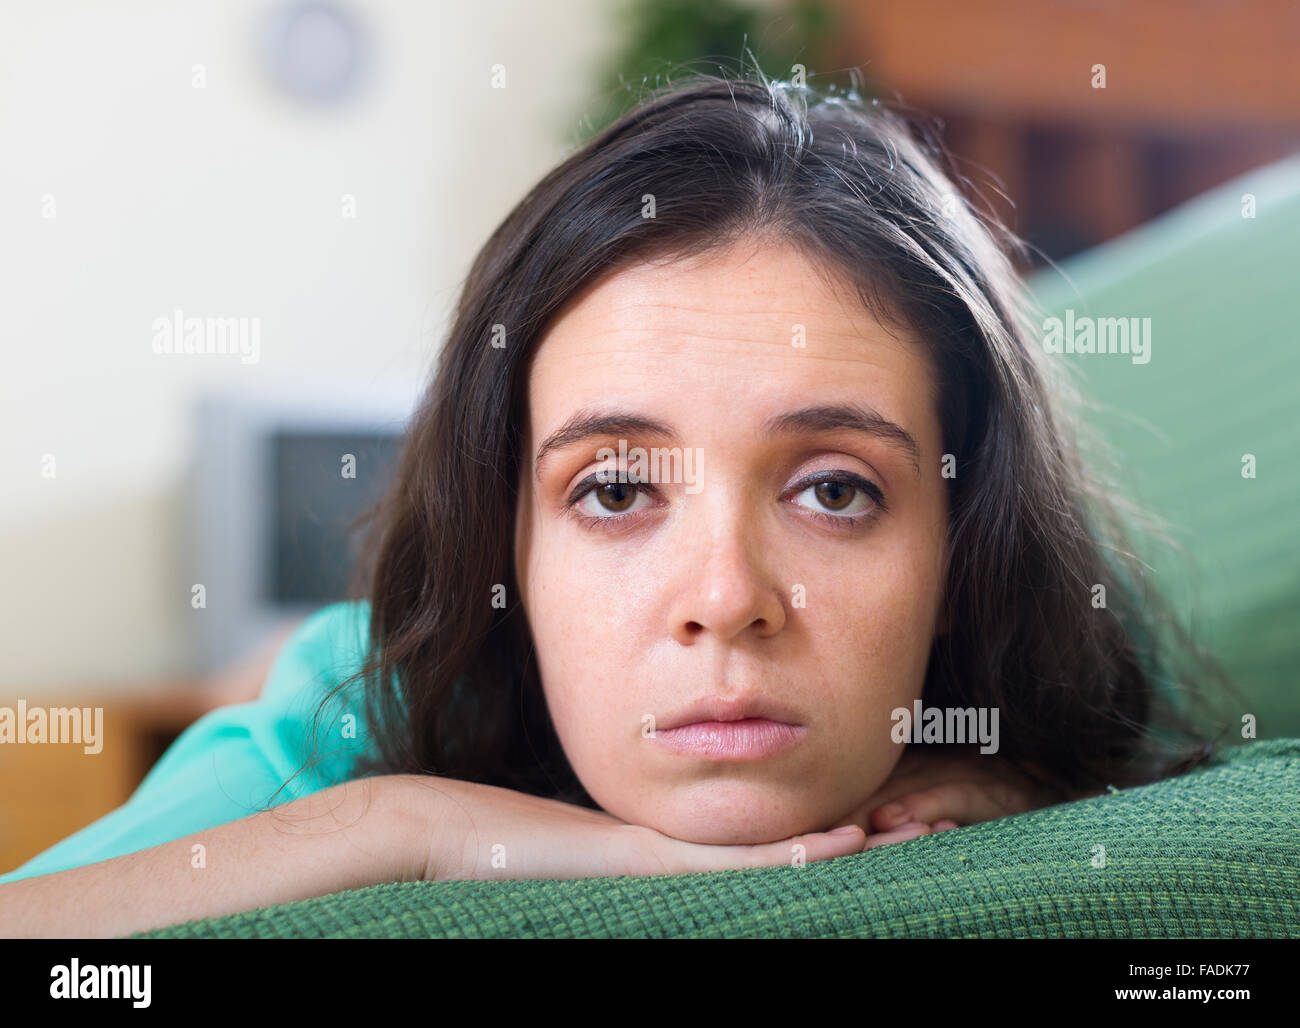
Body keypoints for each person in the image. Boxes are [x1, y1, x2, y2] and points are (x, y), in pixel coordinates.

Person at [0, 71, 1228, 937]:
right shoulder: (344, 711)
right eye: (617, 487)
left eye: (836, 489)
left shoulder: (1054, 698)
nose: (726, 600)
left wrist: (1026, 787)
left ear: (963, 548)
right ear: (508, 547)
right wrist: (399, 826)